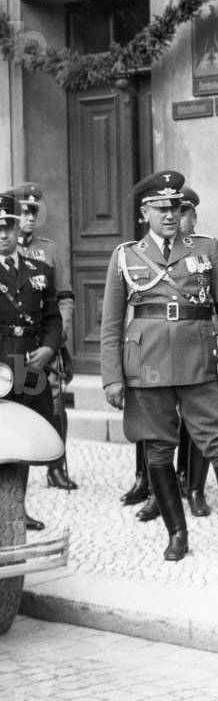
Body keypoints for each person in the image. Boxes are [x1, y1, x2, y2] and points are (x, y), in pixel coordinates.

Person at [100, 170, 218, 562]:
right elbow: (110, 323)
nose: (170, 214)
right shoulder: (126, 255)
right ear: (145, 212)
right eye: (161, 208)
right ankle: (177, 535)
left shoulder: (206, 249)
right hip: (146, 367)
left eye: (175, 207)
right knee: (158, 450)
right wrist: (112, 377)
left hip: (199, 363)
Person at [174, 186, 218, 517]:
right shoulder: (154, 254)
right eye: (174, 213)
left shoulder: (212, 252)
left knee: (203, 421)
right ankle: (163, 485)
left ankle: (195, 488)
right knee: (165, 419)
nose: (179, 220)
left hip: (207, 348)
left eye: (185, 213)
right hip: (170, 351)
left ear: (194, 217)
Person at [9, 183, 76, 491]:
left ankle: (55, 466)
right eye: (24, 211)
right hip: (9, 350)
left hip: (42, 346)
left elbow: (62, 297)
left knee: (53, 405)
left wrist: (57, 339)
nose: (30, 218)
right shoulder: (6, 248)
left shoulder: (47, 250)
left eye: (34, 211)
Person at [0, 192, 60, 532]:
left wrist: (50, 348)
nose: (4, 234)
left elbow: (52, 317)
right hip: (0, 368)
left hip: (30, 366)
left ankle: (15, 509)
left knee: (24, 439)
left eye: (8, 226)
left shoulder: (40, 270)